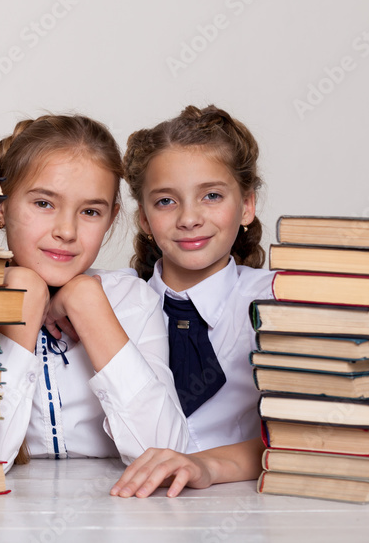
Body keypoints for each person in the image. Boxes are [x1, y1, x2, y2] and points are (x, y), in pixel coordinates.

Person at [0, 115, 189, 470]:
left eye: (90, 211)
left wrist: (89, 305)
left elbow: (164, 454)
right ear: (1, 207)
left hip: (118, 515)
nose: (67, 231)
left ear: (112, 218)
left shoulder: (132, 300)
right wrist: (20, 310)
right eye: (44, 203)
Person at [111, 104, 272, 498]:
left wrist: (207, 465)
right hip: (129, 510)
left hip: (249, 510)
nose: (189, 218)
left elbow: (311, 433)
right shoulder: (112, 303)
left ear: (247, 205)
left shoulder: (276, 302)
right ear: (145, 220)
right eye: (166, 201)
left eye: (212, 195)